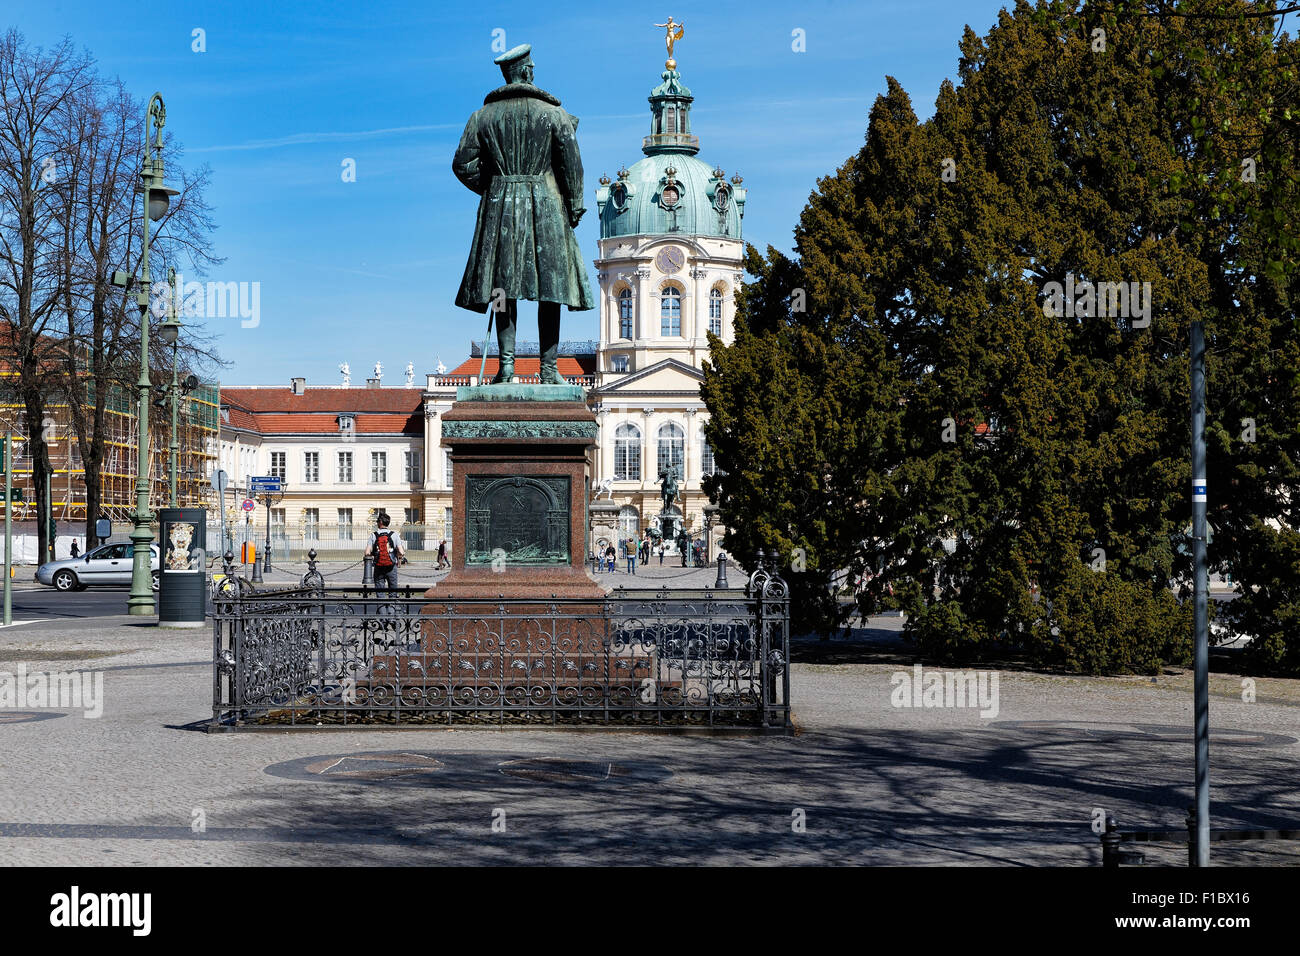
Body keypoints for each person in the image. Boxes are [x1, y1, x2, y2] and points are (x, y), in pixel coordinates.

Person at [365, 512, 405, 597]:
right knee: (393, 592)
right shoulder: (394, 535)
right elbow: (401, 552)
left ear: (380, 522)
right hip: (391, 566)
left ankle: (382, 610)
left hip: (378, 567)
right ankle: (391, 610)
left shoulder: (373, 535)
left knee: (380, 593)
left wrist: (373, 554)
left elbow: (367, 552)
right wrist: (398, 554)